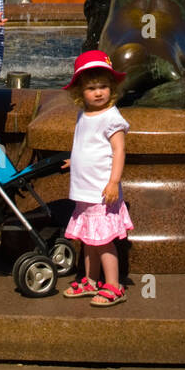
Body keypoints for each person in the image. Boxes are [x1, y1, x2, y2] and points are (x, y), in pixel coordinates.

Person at [61, 50, 133, 306]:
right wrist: (75, 160)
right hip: (84, 190)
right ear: (80, 91)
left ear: (111, 88)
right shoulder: (84, 114)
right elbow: (86, 144)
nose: (98, 92)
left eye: (103, 86)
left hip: (102, 192)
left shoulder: (111, 117)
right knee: (89, 241)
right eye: (92, 88)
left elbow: (118, 151)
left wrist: (114, 182)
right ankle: (90, 281)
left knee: (103, 242)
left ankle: (114, 285)